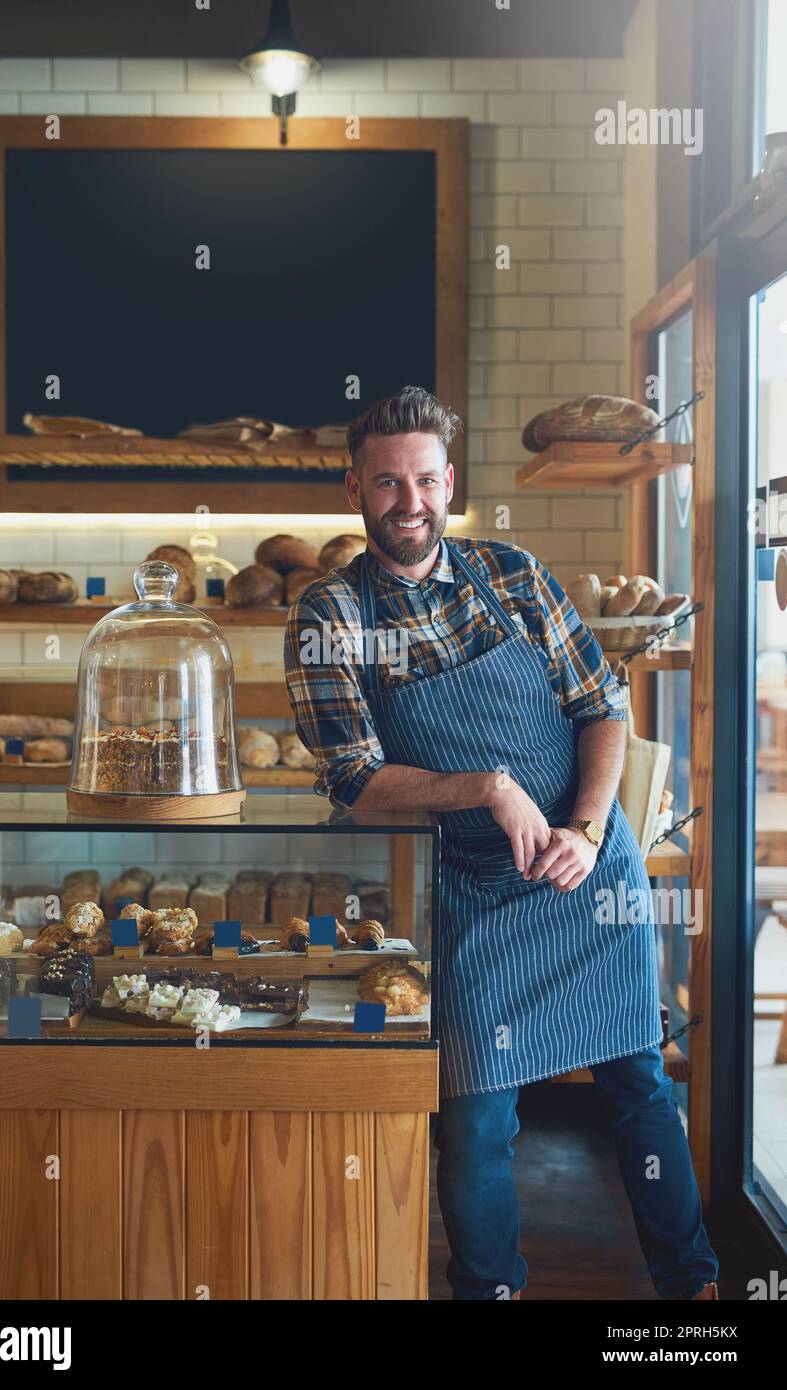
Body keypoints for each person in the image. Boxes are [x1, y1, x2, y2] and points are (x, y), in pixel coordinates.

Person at [283, 386, 719, 1301]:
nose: (411, 502)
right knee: (476, 1115)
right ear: (355, 488)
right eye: (389, 483)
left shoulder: (512, 574)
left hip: (589, 868)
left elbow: (601, 707)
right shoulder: (332, 613)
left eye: (427, 480)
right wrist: (486, 788)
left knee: (640, 1082)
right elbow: (352, 777)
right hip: (475, 885)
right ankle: (489, 1292)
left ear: (451, 483)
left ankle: (694, 1294)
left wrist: (590, 829)